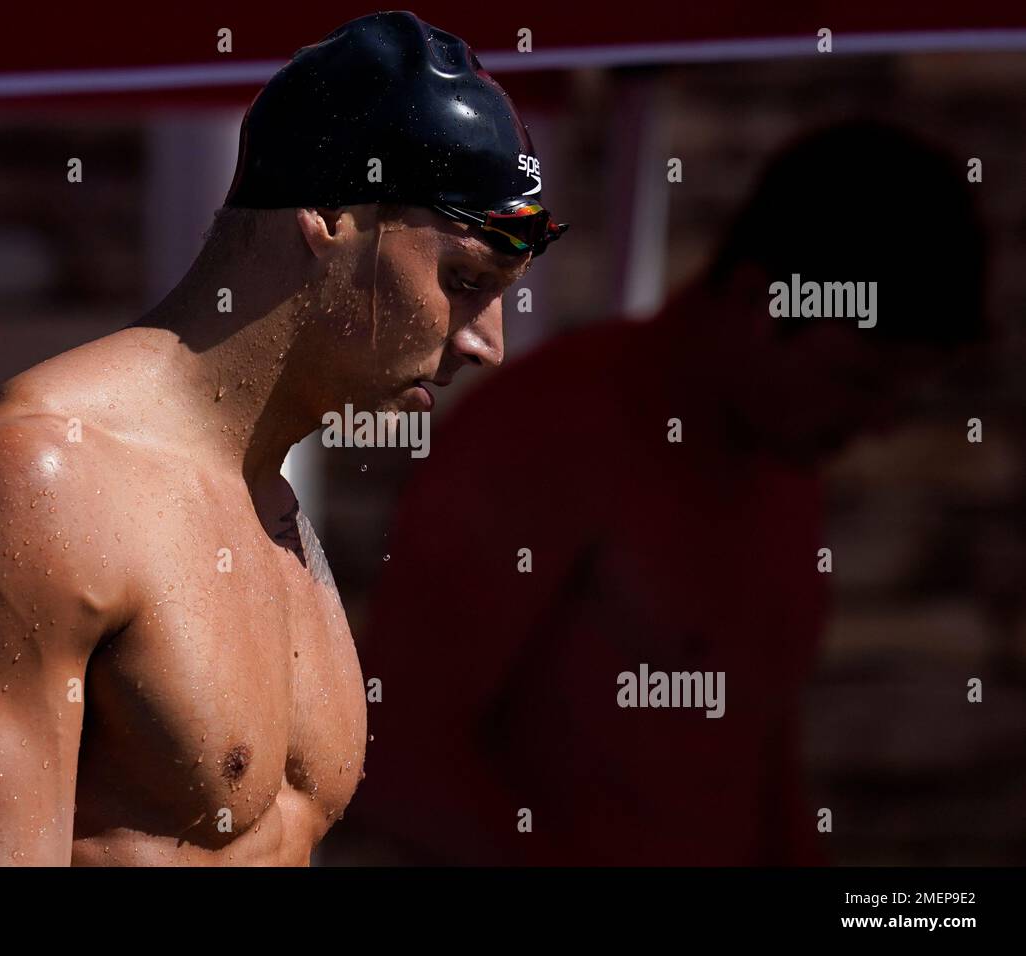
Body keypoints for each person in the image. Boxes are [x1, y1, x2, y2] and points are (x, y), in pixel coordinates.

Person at [0, 10, 565, 865]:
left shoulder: (273, 513)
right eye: (463, 278)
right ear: (330, 211)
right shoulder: (36, 483)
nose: (487, 344)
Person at [350, 121, 986, 865]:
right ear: (762, 300)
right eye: (858, 383)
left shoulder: (785, 457)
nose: (874, 428)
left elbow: (756, 754)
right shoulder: (553, 433)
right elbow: (395, 751)